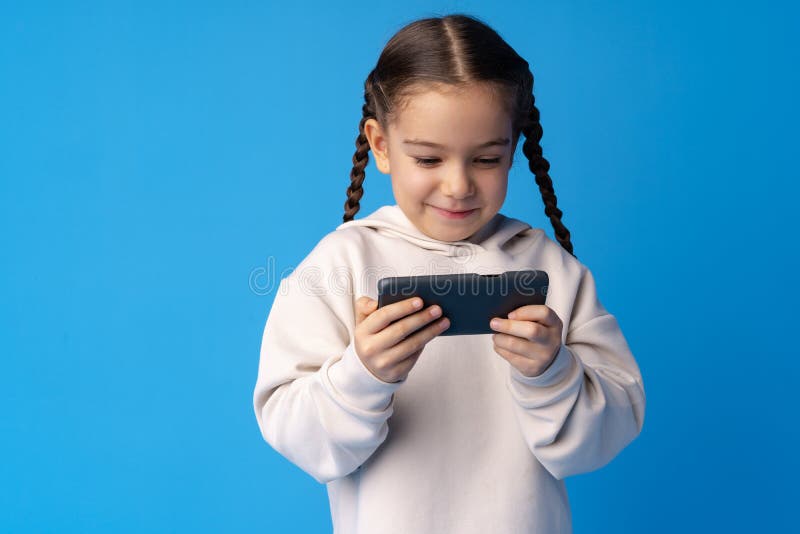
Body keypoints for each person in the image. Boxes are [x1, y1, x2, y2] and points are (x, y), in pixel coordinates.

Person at [252, 12, 645, 534]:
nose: (458, 185)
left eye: (486, 159)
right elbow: (299, 437)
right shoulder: (339, 266)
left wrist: (552, 372)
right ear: (382, 145)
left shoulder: (550, 268)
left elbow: (606, 433)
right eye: (429, 159)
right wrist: (363, 375)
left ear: (512, 151)